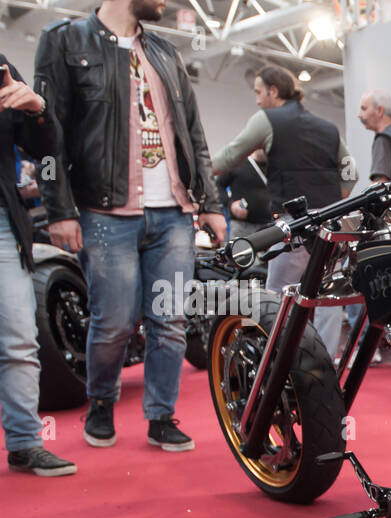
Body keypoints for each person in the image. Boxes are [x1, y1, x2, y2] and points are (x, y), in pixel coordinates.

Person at [35, 0, 227, 453]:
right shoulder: (64, 41)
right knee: (114, 321)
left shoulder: (166, 52)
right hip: (104, 210)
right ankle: (101, 400)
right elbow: (47, 132)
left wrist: (211, 203)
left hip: (174, 211)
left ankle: (161, 415)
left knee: (171, 321)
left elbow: (194, 136)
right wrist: (58, 210)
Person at [212, 65, 355, 359]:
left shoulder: (267, 119)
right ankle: (325, 364)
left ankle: (282, 362)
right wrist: (337, 195)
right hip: (333, 222)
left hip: (295, 224)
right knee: (328, 296)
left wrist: (192, 171)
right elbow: (351, 171)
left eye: (258, 92)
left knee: (278, 296)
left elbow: (230, 155)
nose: (256, 99)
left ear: (272, 91)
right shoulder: (328, 127)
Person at [0, 54, 76, 477]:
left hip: (2, 220)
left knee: (18, 339)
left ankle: (26, 442)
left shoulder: (1, 68)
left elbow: (46, 149)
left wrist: (37, 110)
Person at [216, 147, 271, 241]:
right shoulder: (239, 163)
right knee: (240, 254)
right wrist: (231, 205)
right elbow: (218, 186)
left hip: (268, 224)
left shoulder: (274, 167)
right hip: (242, 225)